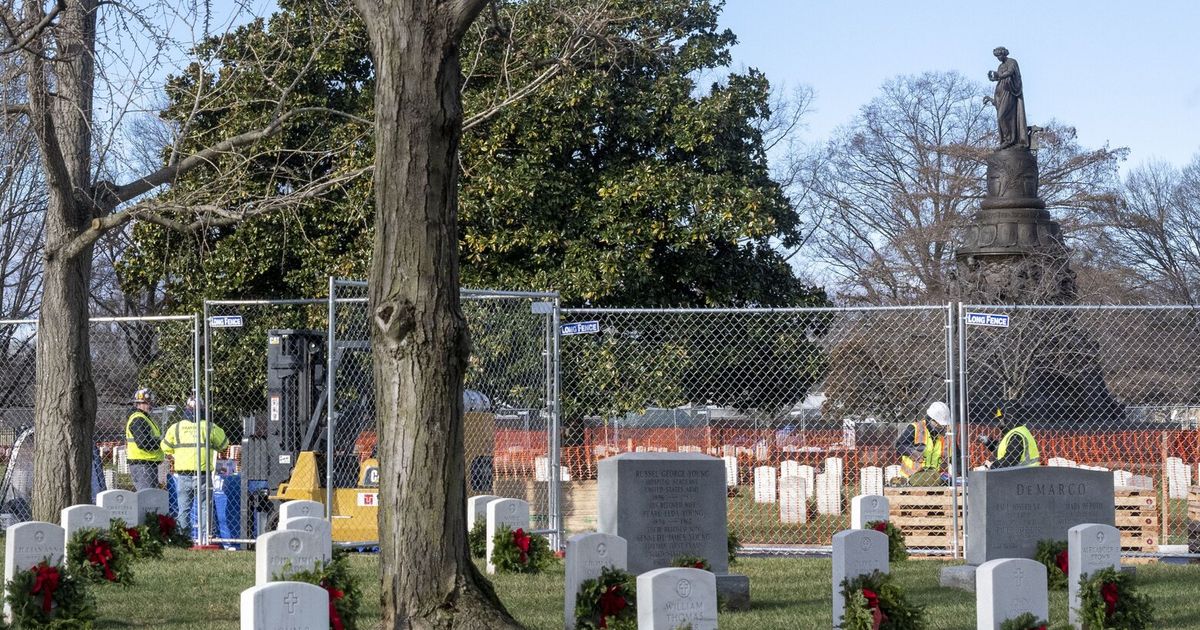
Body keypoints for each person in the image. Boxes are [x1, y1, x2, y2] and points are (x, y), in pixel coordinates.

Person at [160, 394, 229, 536]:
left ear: (186, 409)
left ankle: (183, 538)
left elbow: (165, 447)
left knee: (183, 509)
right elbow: (223, 444)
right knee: (205, 508)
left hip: (183, 474)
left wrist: (178, 453)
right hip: (202, 474)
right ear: (202, 409)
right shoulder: (209, 427)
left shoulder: (176, 428)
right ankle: (206, 537)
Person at [893, 401, 954, 483]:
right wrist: (913, 453)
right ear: (931, 420)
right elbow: (900, 445)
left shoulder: (945, 436)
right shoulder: (915, 428)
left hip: (935, 475)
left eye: (943, 425)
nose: (941, 427)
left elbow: (955, 456)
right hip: (913, 475)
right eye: (939, 425)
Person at [984, 46, 1029, 149]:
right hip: (1000, 92)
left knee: (1002, 116)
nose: (998, 58)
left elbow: (1010, 72)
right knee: (1001, 118)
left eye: (999, 55)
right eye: (997, 56)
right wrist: (994, 78)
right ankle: (1005, 140)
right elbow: (999, 77)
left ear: (1004, 54)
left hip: (1009, 92)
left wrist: (998, 75)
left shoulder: (1012, 62)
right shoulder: (1000, 66)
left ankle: (1009, 140)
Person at [125, 388, 164, 491]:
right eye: (148, 403)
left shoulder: (144, 418)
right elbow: (143, 442)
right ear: (139, 403)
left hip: (146, 464)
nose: (150, 405)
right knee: (147, 498)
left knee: (149, 497)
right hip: (143, 464)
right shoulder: (138, 419)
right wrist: (161, 443)